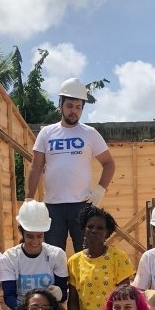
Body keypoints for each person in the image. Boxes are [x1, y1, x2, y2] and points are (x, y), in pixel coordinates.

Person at [26, 78, 115, 252]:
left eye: (78, 107)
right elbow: (36, 167)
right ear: (60, 104)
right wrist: (29, 199)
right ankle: (56, 281)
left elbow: (109, 164)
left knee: (85, 255)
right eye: (69, 106)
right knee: (53, 255)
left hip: (81, 205)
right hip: (53, 206)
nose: (74, 111)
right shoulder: (47, 133)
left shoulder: (90, 134)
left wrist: (100, 190)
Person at [0, 200, 68, 310]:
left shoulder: (56, 255)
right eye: (30, 236)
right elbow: (9, 296)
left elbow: (63, 293)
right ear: (22, 231)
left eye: (39, 236)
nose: (35, 242)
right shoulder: (9, 257)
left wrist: (59, 294)